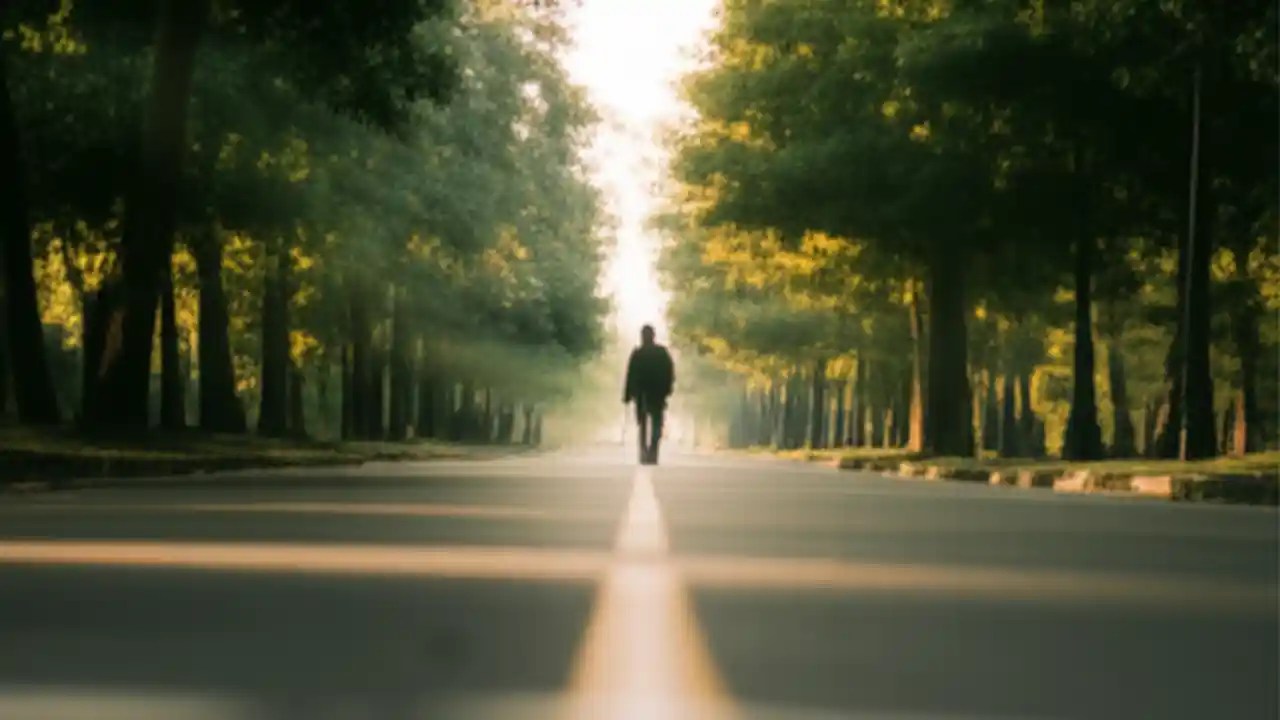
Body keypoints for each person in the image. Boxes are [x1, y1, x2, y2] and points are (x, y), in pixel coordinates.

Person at [623, 324, 675, 465]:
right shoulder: (661, 353)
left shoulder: (638, 353)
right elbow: (670, 372)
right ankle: (652, 451)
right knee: (656, 423)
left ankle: (644, 452)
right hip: (657, 393)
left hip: (642, 394)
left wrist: (627, 395)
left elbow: (630, 375)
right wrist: (668, 389)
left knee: (643, 423)